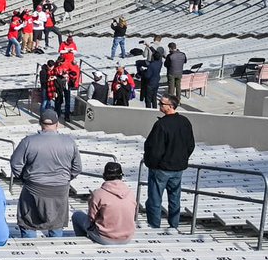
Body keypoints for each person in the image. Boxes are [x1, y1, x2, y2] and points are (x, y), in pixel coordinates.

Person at [8, 111, 79, 238]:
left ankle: (29, 246)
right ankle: (56, 245)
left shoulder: (28, 141)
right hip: (60, 189)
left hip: (33, 187)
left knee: (29, 221)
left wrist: (25, 178)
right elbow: (77, 168)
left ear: (40, 123)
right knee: (56, 222)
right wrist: (64, 179)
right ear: (57, 124)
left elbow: (15, 164)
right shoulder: (69, 142)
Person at [140, 95, 196, 233]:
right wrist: (182, 159)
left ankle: (154, 228)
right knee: (175, 199)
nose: (159, 105)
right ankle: (174, 226)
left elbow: (154, 148)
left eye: (162, 103)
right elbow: (191, 145)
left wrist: (151, 163)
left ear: (171, 106)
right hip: (178, 168)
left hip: (161, 169)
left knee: (155, 200)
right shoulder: (185, 122)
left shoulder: (161, 125)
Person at [74, 162, 137, 244]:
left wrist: (91, 201)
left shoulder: (98, 194)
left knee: (77, 216)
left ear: (104, 176)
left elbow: (91, 218)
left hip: (105, 237)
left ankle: (82, 243)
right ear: (121, 176)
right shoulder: (130, 193)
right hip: (127, 237)